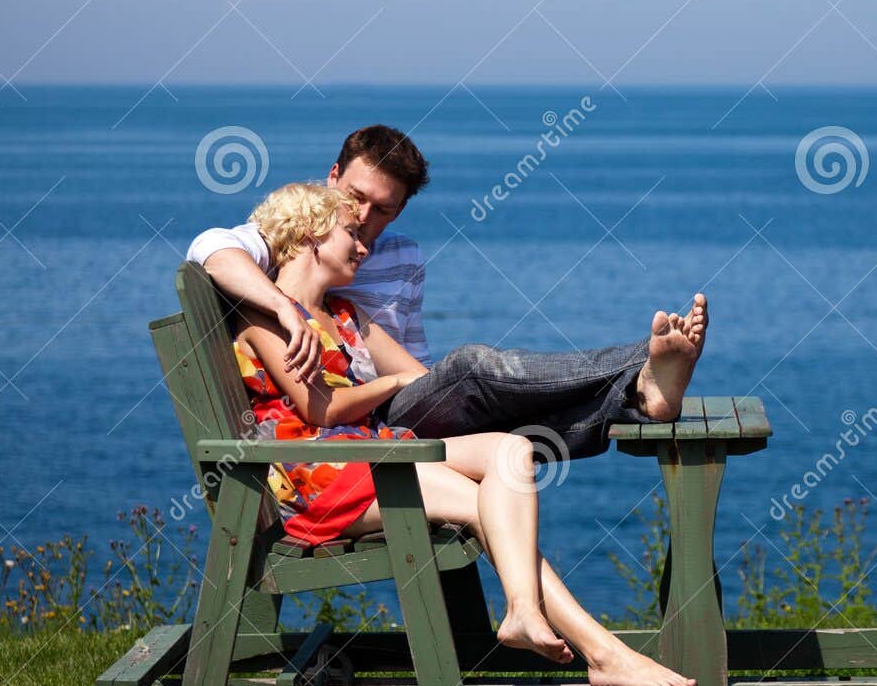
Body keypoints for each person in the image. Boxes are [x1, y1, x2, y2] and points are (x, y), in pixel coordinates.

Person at [233, 181, 699, 686]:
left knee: (510, 449)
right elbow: (318, 408)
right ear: (309, 235)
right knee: (486, 506)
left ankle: (525, 610)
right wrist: (391, 384)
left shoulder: (341, 315)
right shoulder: (265, 317)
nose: (363, 245)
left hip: (365, 457)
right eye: (349, 232)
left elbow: (421, 378)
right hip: (319, 480)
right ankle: (604, 653)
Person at [186, 124, 707, 463]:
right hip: (355, 422)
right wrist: (283, 307)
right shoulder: (295, 238)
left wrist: (428, 387)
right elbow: (207, 246)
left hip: (401, 401)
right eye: (355, 198)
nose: (365, 221)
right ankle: (641, 360)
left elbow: (417, 366)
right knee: (474, 366)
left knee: (507, 423)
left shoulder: (402, 258)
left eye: (384, 209)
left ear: (401, 210)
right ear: (333, 177)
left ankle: (641, 398)